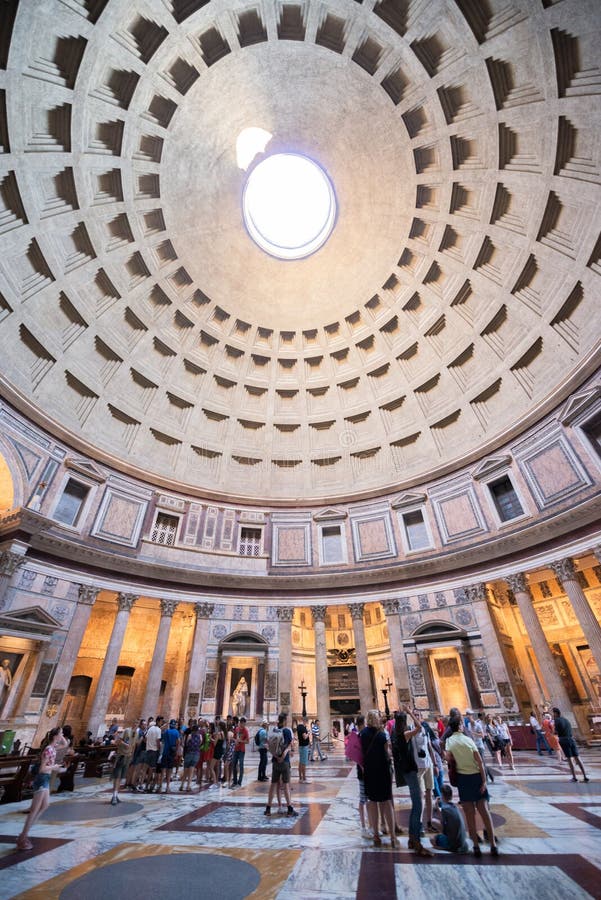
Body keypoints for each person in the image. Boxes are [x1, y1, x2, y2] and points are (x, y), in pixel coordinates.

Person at [446, 716, 498, 857]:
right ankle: (493, 844)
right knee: (485, 813)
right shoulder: (468, 740)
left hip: (463, 780)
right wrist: (484, 781)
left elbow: (448, 758)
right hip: (476, 778)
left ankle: (475, 846)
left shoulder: (449, 741)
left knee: (469, 815)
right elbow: (480, 762)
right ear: (461, 726)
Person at [16, 727, 68, 850]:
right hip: (42, 779)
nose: (63, 735)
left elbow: (65, 744)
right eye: (61, 733)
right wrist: (54, 767)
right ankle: (22, 837)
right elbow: (42, 769)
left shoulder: (53, 748)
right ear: (55, 736)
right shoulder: (49, 750)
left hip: (45, 779)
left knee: (45, 806)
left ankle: (24, 834)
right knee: (34, 810)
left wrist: (60, 736)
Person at [391, 707, 432, 856]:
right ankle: (415, 840)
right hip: (410, 770)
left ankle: (411, 839)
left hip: (405, 771)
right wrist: (410, 713)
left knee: (417, 803)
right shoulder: (404, 734)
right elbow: (419, 727)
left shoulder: (394, 734)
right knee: (418, 805)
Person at [360, 709, 397, 849]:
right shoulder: (382, 735)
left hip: (369, 772)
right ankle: (393, 837)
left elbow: (359, 754)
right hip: (383, 771)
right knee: (386, 802)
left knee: (372, 802)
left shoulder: (362, 734)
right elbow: (388, 754)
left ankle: (376, 835)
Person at [264, 712, 298, 818]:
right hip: (284, 762)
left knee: (273, 784)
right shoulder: (287, 731)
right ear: (284, 721)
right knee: (286, 784)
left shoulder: (274, 730)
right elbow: (289, 746)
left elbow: (268, 745)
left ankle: (268, 808)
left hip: (275, 761)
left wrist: (276, 756)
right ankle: (289, 809)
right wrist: (283, 756)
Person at [552, 708, 589, 783]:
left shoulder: (557, 720)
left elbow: (556, 732)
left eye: (553, 713)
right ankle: (585, 776)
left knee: (570, 759)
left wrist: (554, 732)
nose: (553, 715)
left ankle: (574, 777)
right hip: (571, 739)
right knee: (578, 758)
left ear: (556, 713)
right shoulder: (566, 720)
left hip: (564, 740)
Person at [430, 784, 469, 853]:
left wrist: (436, 806)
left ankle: (444, 847)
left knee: (432, 838)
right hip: (462, 841)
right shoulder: (455, 806)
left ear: (442, 795)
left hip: (453, 844)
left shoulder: (445, 809)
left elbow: (442, 823)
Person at [109, 727, 133, 804]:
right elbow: (118, 742)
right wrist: (125, 744)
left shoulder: (133, 735)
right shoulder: (125, 734)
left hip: (127, 757)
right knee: (117, 777)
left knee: (121, 777)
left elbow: (131, 745)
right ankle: (114, 796)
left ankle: (116, 794)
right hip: (120, 757)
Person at [231, 715, 250, 787]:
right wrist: (235, 740)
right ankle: (235, 781)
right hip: (236, 749)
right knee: (234, 765)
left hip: (242, 750)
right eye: (241, 723)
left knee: (241, 765)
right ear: (240, 723)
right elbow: (233, 738)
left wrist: (241, 741)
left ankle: (239, 782)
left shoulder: (245, 731)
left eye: (244, 723)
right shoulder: (237, 729)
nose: (243, 725)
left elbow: (247, 741)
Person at [296, 716, 310, 783]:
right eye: (307, 722)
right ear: (305, 721)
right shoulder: (303, 728)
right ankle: (304, 779)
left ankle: (300, 778)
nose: (307, 723)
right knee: (304, 763)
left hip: (301, 745)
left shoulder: (298, 727)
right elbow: (304, 737)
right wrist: (309, 733)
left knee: (301, 762)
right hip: (304, 746)